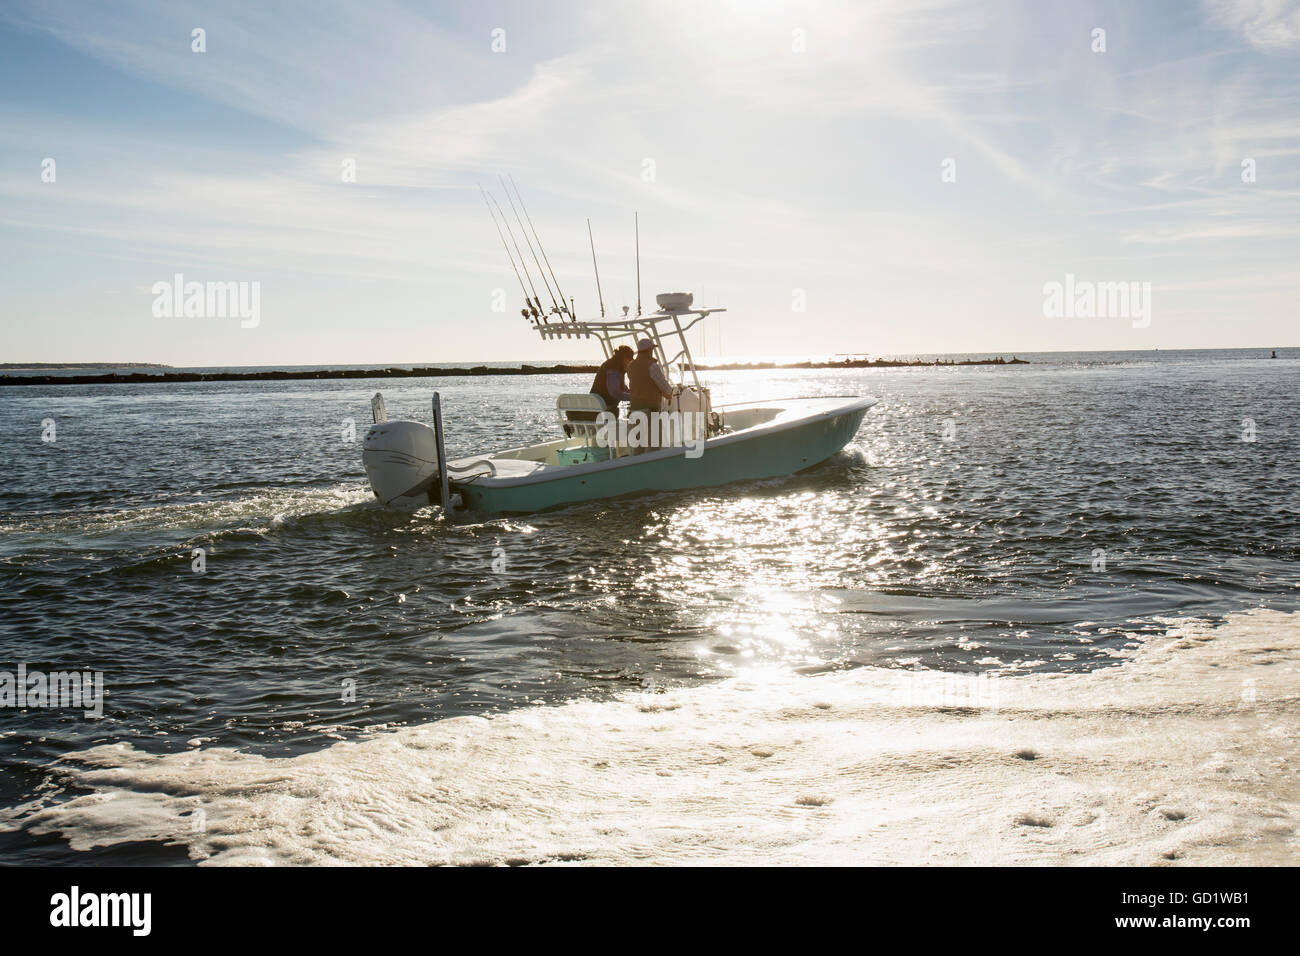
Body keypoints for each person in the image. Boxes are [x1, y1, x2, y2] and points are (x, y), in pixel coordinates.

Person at [627, 338, 674, 453]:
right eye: (652, 349)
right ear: (649, 350)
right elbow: (666, 389)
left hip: (635, 410)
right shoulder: (652, 366)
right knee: (654, 446)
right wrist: (669, 393)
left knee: (638, 447)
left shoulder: (630, 366)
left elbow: (640, 384)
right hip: (650, 410)